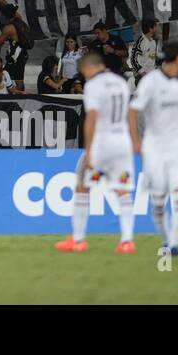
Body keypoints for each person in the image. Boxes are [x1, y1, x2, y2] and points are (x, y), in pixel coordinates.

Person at [129, 40, 178, 258]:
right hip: (155, 148)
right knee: (159, 201)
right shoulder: (151, 82)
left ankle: (173, 245)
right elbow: (132, 111)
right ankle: (166, 240)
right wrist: (136, 141)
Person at [56, 51, 137, 253]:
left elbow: (92, 117)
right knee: (123, 191)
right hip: (122, 143)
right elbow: (129, 114)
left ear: (88, 67)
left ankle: (78, 240)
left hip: (102, 144)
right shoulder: (120, 82)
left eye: (83, 72)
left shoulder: (93, 85)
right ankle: (127, 241)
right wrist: (135, 141)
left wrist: (90, 151)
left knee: (82, 187)